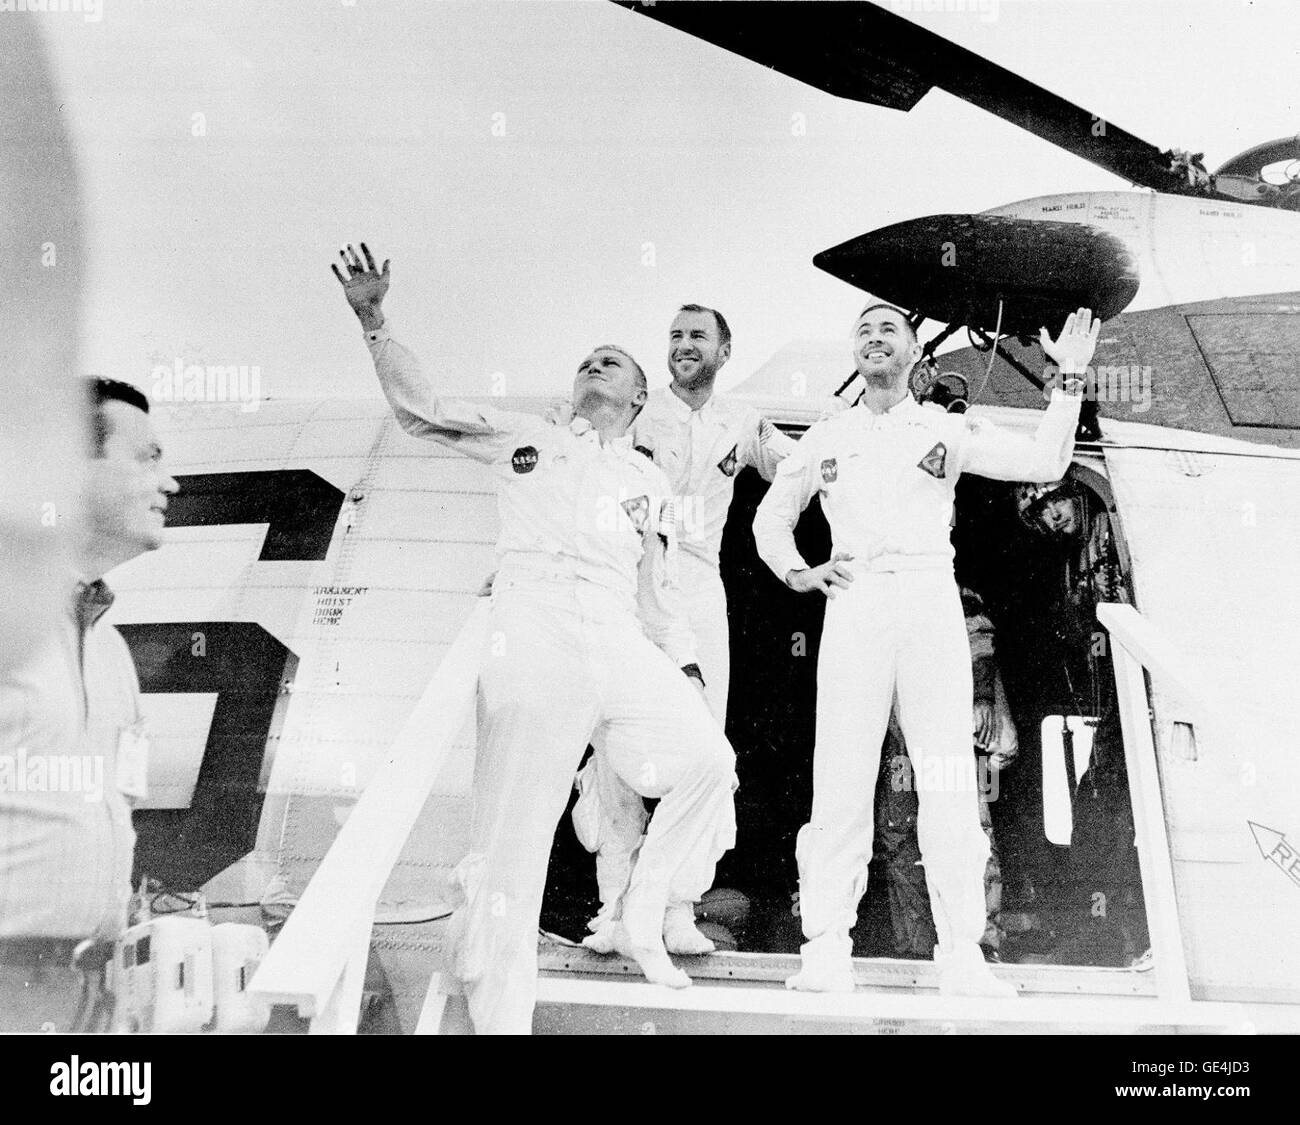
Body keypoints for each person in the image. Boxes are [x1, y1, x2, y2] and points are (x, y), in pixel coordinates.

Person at [333, 243, 737, 1034]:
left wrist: (683, 664)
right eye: (587, 360)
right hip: (536, 619)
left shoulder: (646, 480)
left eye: (611, 362)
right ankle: (499, 1009)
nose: (594, 367)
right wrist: (375, 320)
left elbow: (660, 595)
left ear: (638, 392)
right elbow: (421, 411)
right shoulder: (525, 437)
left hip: (615, 630)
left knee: (707, 761)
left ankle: (642, 913)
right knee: (513, 844)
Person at [753, 302, 1100, 996]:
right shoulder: (827, 433)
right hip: (854, 598)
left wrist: (1068, 379)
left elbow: (1045, 456)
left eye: (889, 329)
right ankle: (825, 947)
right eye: (863, 330)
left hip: (927, 597)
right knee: (842, 775)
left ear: (914, 353)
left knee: (944, 778)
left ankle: (962, 953)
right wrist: (800, 570)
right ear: (854, 353)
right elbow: (771, 516)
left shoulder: (948, 427)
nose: (875, 337)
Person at [575, 303, 796, 956]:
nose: (684, 344)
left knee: (702, 745)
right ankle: (614, 906)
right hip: (636, 579)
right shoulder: (639, 410)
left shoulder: (740, 420)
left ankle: (676, 907)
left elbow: (802, 464)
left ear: (725, 351)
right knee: (617, 746)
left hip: (700, 589)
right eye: (675, 335)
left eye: (698, 335)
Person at [0, 379, 179, 1032]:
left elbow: (122, 805)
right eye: (147, 457)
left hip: (97, 993)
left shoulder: (114, 654)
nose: (171, 482)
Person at [1013, 478, 1149, 967]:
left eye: (1054, 502)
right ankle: (1113, 937)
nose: (1051, 518)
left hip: (1140, 694)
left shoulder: (1114, 531)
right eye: (1042, 513)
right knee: (1096, 811)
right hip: (1115, 698)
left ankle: (1128, 938)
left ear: (1076, 492)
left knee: (1107, 814)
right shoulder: (1077, 556)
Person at [871, 586, 1018, 961]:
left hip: (946, 738)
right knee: (901, 838)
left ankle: (979, 943)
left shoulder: (943, 581)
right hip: (901, 740)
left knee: (967, 832)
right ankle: (919, 948)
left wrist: (984, 698)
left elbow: (979, 636)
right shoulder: (875, 586)